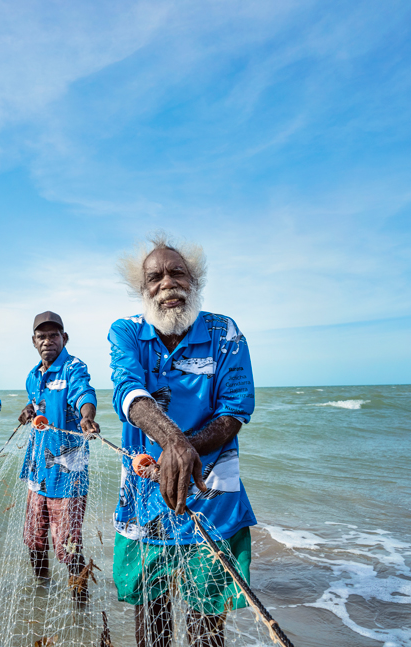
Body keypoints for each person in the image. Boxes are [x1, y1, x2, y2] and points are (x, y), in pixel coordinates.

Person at [109, 234, 257, 647]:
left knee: (206, 626)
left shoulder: (224, 332)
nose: (167, 283)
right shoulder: (127, 332)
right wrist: (175, 444)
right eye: (154, 277)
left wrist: (182, 451)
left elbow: (235, 409)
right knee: (151, 622)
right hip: (144, 499)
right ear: (142, 290)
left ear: (195, 281)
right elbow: (128, 392)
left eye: (178, 273)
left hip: (213, 502)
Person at [18, 311, 100, 600]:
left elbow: (84, 394)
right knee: (34, 540)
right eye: (41, 336)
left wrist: (87, 416)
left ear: (64, 338)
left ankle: (80, 607)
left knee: (69, 547)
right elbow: (37, 402)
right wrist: (29, 410)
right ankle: (41, 596)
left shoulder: (73, 367)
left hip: (67, 477)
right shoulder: (32, 376)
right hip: (37, 472)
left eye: (54, 335)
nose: (47, 341)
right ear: (33, 341)